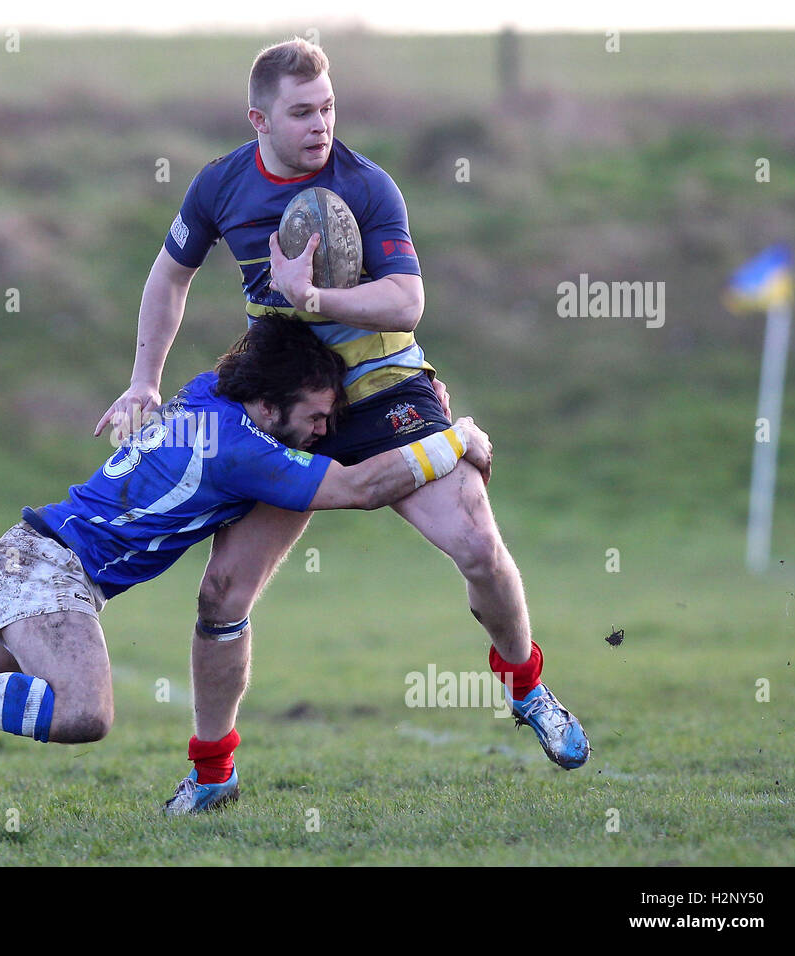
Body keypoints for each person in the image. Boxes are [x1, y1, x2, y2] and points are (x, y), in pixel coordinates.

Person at [0, 320, 492, 830]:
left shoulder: (211, 395)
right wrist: (450, 438)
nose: (326, 430)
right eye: (317, 415)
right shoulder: (244, 449)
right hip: (51, 569)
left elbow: (304, 440)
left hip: (30, 552)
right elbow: (355, 487)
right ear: (266, 406)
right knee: (85, 713)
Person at [94, 36, 589, 811]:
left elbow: (406, 301)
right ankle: (212, 776)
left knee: (479, 547)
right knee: (222, 594)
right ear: (258, 117)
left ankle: (527, 686)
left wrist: (317, 300)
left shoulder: (365, 184)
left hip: (383, 382)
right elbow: (169, 277)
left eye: (327, 106)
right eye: (301, 112)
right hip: (285, 400)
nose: (320, 124)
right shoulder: (221, 185)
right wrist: (141, 383)